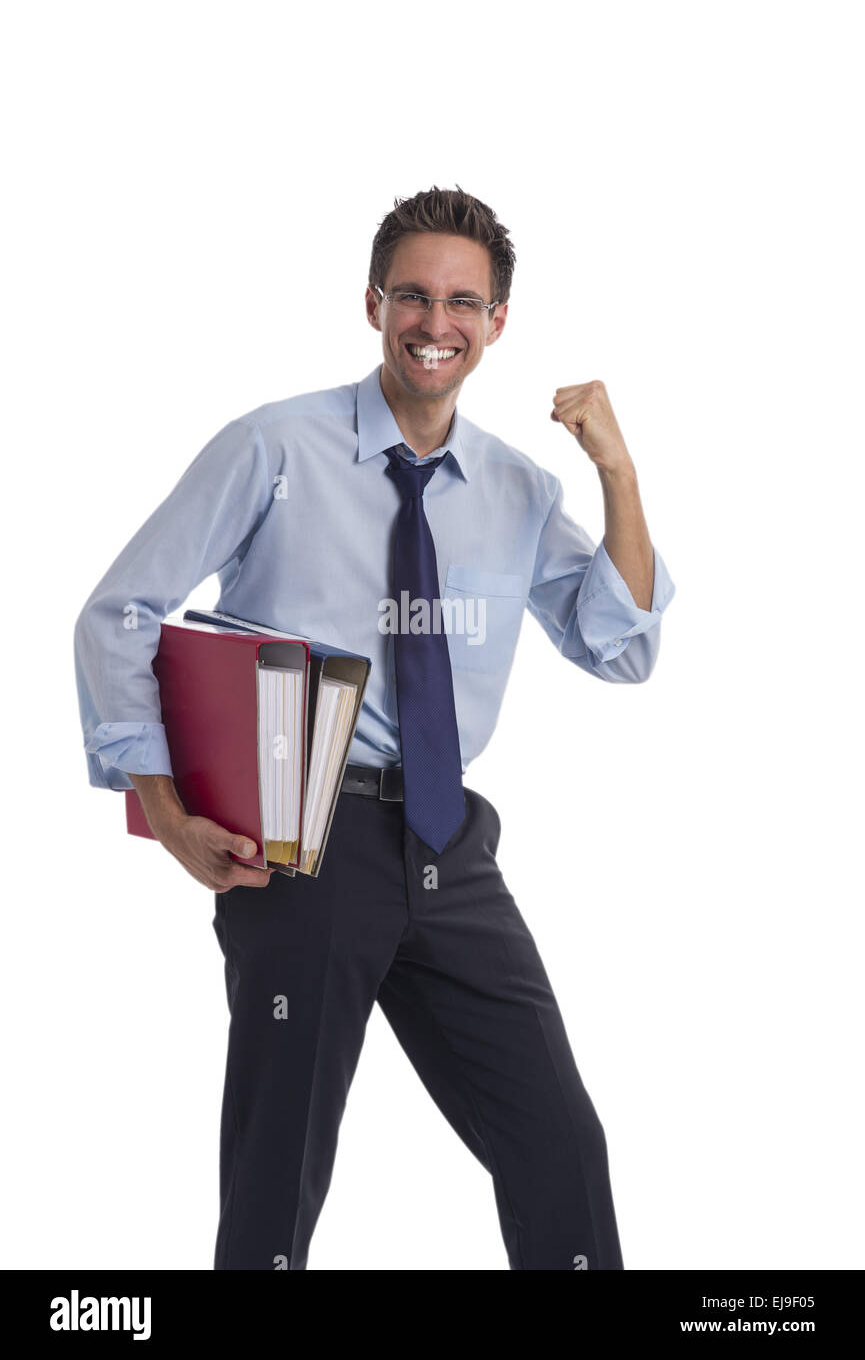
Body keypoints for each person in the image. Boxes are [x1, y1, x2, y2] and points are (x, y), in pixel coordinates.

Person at [74, 184, 676, 1271]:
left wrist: (617, 471)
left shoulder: (515, 487)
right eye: (412, 295)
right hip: (303, 844)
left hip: (450, 845)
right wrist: (161, 807)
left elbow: (618, 642)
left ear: (496, 323)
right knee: (279, 1171)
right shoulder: (275, 447)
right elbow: (117, 612)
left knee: (559, 1147)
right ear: (371, 303)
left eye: (462, 302)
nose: (433, 322)